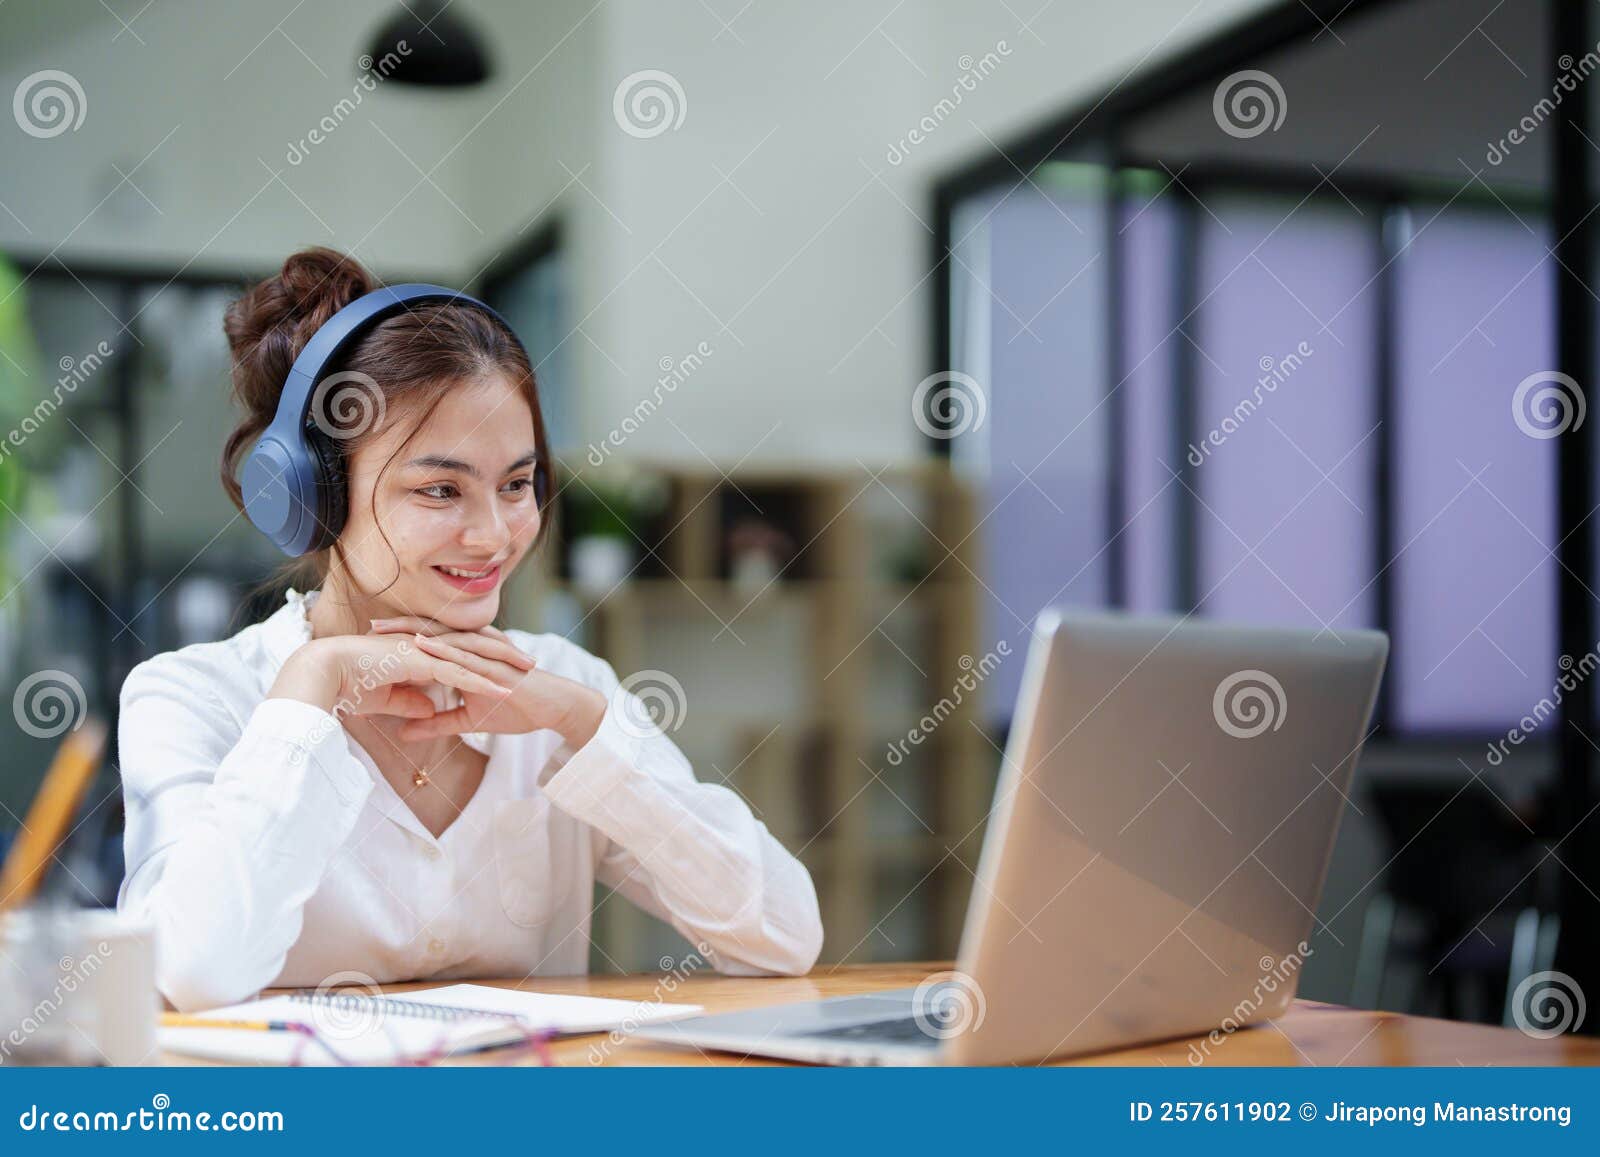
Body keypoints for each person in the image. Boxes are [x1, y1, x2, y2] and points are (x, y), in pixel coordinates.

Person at [115, 246, 823, 1012]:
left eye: (517, 483)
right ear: (314, 499)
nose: (493, 535)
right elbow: (188, 972)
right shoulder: (193, 698)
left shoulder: (563, 689)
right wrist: (310, 692)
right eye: (441, 489)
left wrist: (588, 726)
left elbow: (783, 936)